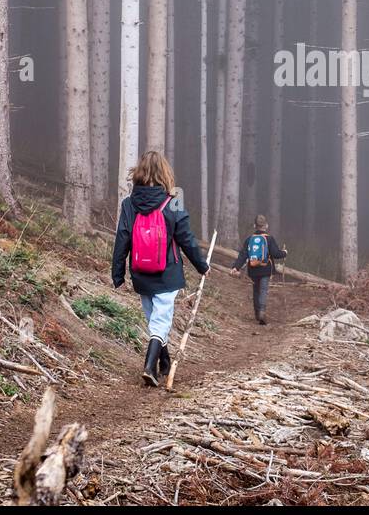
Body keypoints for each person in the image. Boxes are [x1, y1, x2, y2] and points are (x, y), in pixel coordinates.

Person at [111, 151, 210, 386]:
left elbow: (122, 239)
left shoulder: (129, 204)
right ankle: (149, 367)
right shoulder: (172, 202)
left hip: (140, 273)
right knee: (160, 321)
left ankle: (163, 363)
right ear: (165, 174)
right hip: (167, 273)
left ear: (139, 173)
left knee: (154, 319)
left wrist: (118, 275)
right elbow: (186, 238)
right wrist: (202, 266)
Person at [231, 215, 287, 325]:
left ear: (254, 226)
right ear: (266, 225)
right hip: (265, 269)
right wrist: (284, 252)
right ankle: (262, 311)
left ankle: (257, 313)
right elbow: (276, 254)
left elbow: (243, 255)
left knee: (256, 290)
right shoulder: (269, 239)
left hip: (253, 269)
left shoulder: (249, 239)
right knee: (263, 290)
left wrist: (236, 267)